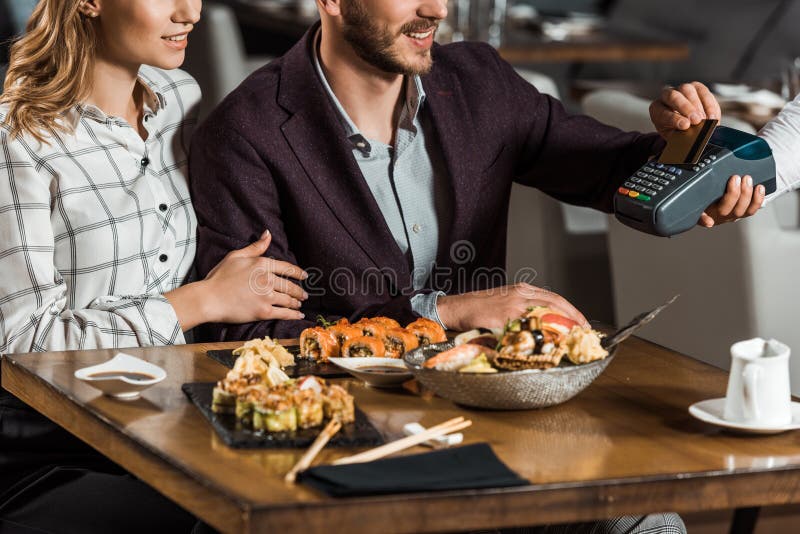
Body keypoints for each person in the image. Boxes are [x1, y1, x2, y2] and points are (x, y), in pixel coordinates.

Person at [189, 0, 760, 345]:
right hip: (352, 434)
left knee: (648, 521)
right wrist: (447, 313)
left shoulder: (478, 82)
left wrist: (681, 153)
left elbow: (605, 167)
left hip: (495, 403)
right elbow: (248, 339)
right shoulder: (245, 135)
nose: (438, 9)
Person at [0, 0, 302, 531]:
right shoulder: (19, 137)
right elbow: (22, 341)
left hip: (165, 422)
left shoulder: (179, 97)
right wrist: (201, 301)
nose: (190, 12)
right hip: (50, 445)